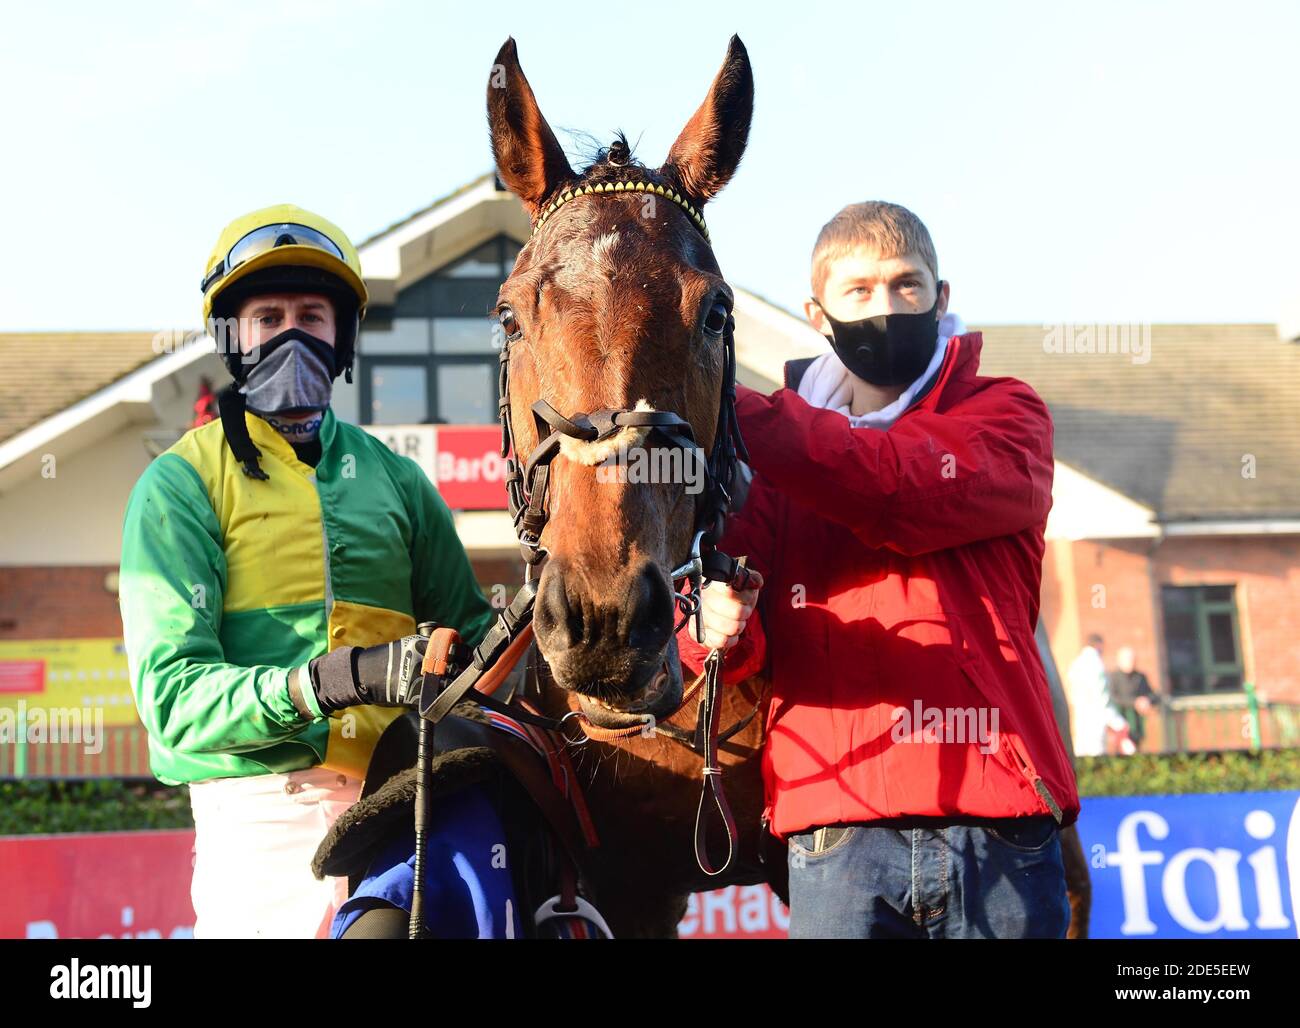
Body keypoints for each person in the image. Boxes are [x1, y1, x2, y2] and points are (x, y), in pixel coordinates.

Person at [676, 201, 1080, 939]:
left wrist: (728, 405)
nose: (886, 306)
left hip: (999, 824)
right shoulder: (772, 475)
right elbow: (721, 644)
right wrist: (715, 628)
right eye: (858, 291)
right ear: (817, 313)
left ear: (941, 298)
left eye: (907, 286)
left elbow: (896, 489)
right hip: (836, 829)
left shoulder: (1009, 415)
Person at [119, 205, 497, 938]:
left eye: (311, 316)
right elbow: (171, 696)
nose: (292, 334)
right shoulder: (178, 486)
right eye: (268, 317)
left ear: (342, 337)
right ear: (233, 336)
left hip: (400, 806)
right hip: (259, 818)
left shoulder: (398, 479)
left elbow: (479, 651)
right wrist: (327, 681)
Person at [1065, 634, 1133, 757]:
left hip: (1080, 717)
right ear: (1098, 645)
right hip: (1095, 719)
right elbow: (1102, 698)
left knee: (1081, 756)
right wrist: (1117, 721)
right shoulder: (1096, 664)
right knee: (1097, 756)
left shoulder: (1076, 664)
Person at [1108, 645, 1160, 752]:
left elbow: (1154, 696)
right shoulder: (1113, 678)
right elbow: (1113, 698)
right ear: (1120, 660)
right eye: (1127, 659)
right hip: (1120, 723)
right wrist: (1134, 703)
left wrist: (1147, 701)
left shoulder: (1140, 677)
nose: (1131, 662)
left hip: (1136, 724)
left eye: (1133, 659)